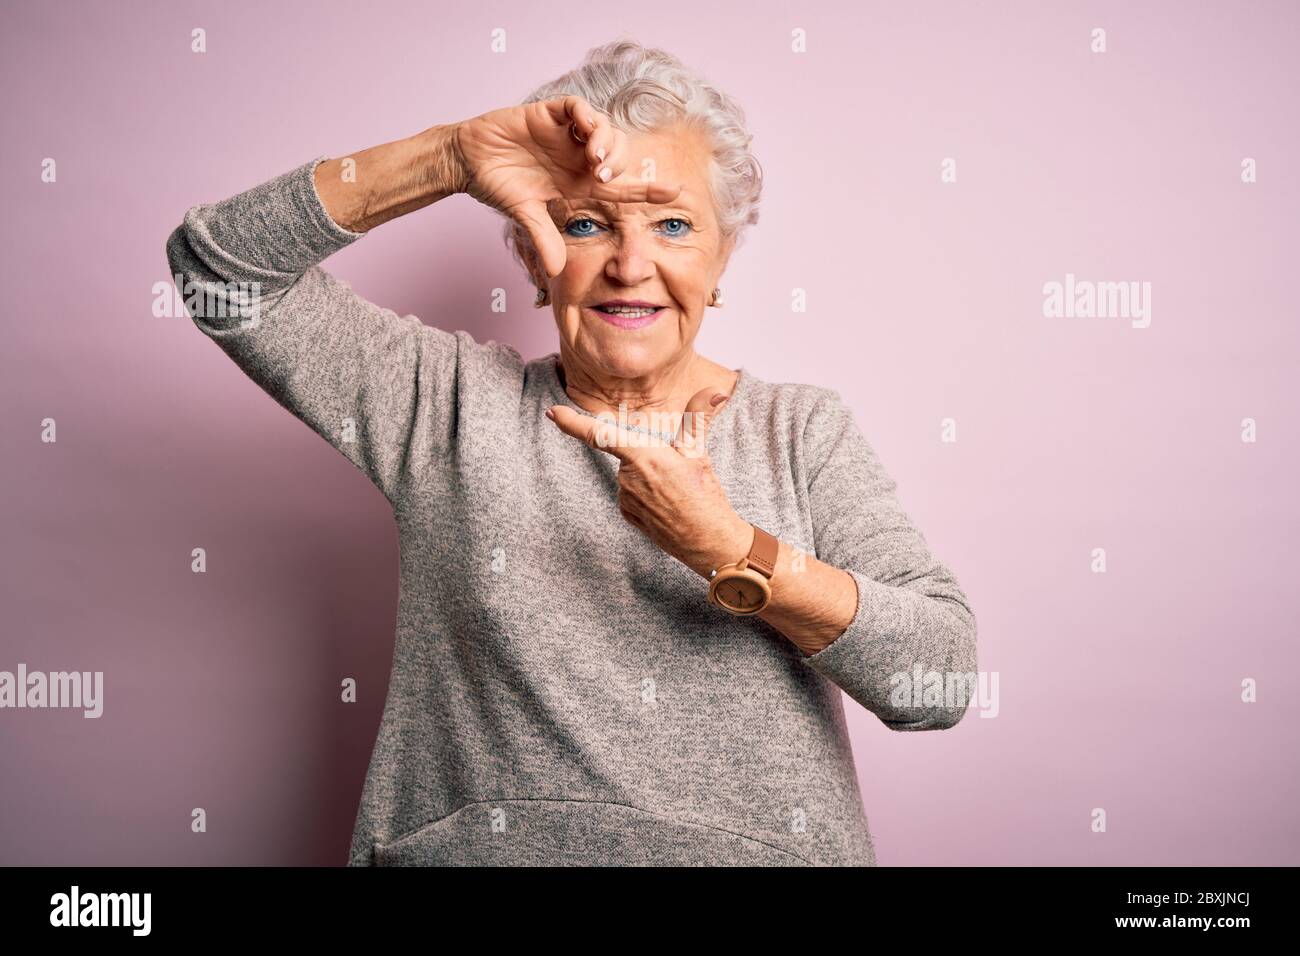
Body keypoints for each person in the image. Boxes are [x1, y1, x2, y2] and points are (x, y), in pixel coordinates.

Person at [165, 39, 978, 866]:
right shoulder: (442, 402)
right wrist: (445, 157)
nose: (631, 266)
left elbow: (940, 678)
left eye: (673, 224)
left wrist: (733, 552)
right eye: (586, 224)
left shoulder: (800, 431)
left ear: (722, 256)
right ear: (530, 255)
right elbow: (216, 269)